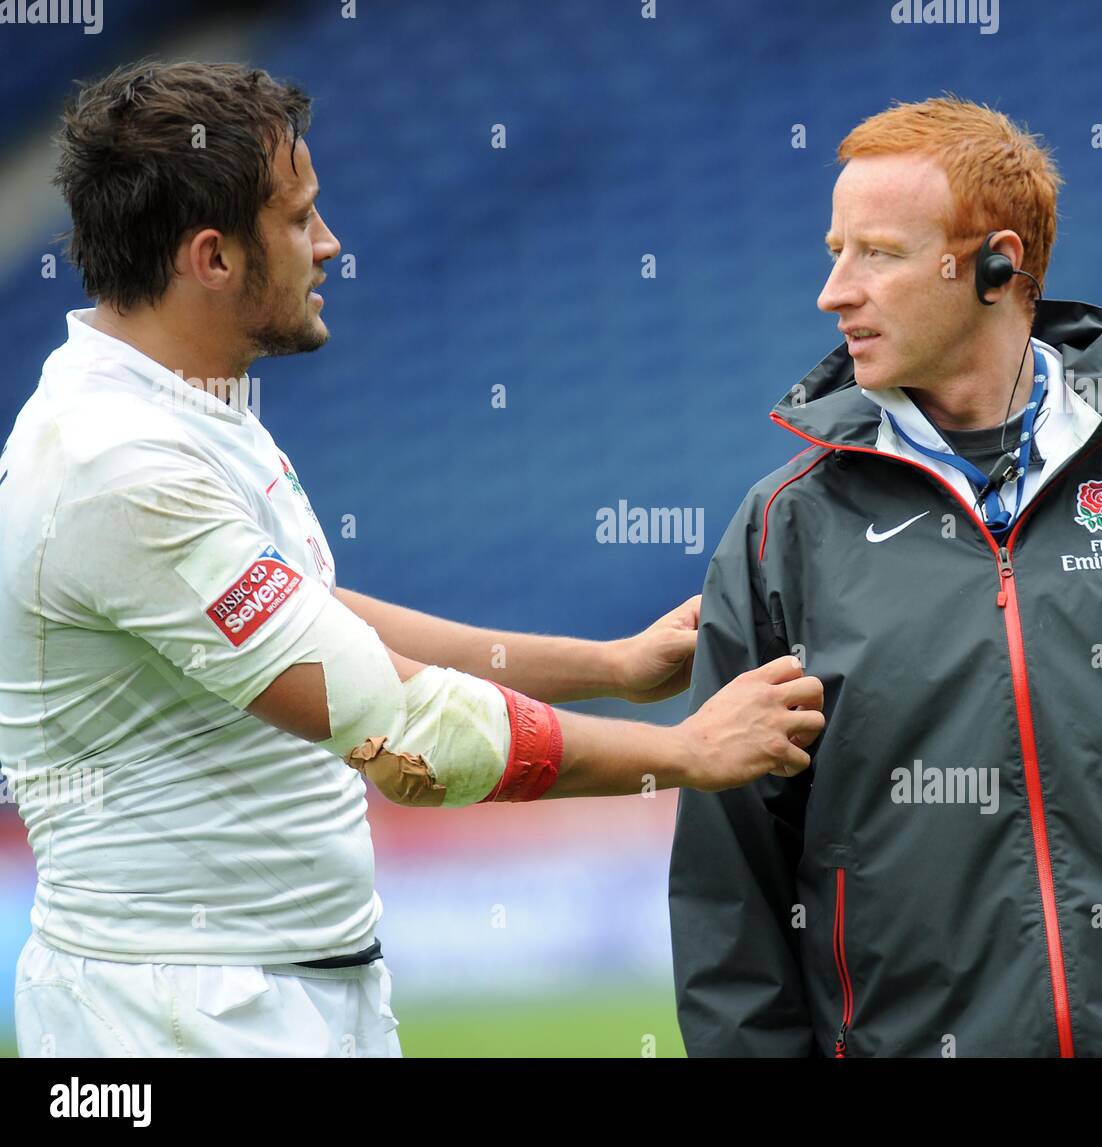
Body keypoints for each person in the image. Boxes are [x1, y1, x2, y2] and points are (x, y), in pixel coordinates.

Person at [0, 60, 825, 1058]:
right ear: (212, 257)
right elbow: (412, 736)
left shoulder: (178, 406)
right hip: (171, 1016)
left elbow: (319, 618)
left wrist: (606, 665)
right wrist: (687, 755)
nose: (329, 243)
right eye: (299, 218)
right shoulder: (119, 465)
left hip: (275, 989)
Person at [668, 95, 1102, 1058]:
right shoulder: (782, 529)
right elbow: (732, 885)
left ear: (998, 265)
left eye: (876, 253)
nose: (834, 293)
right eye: (835, 251)